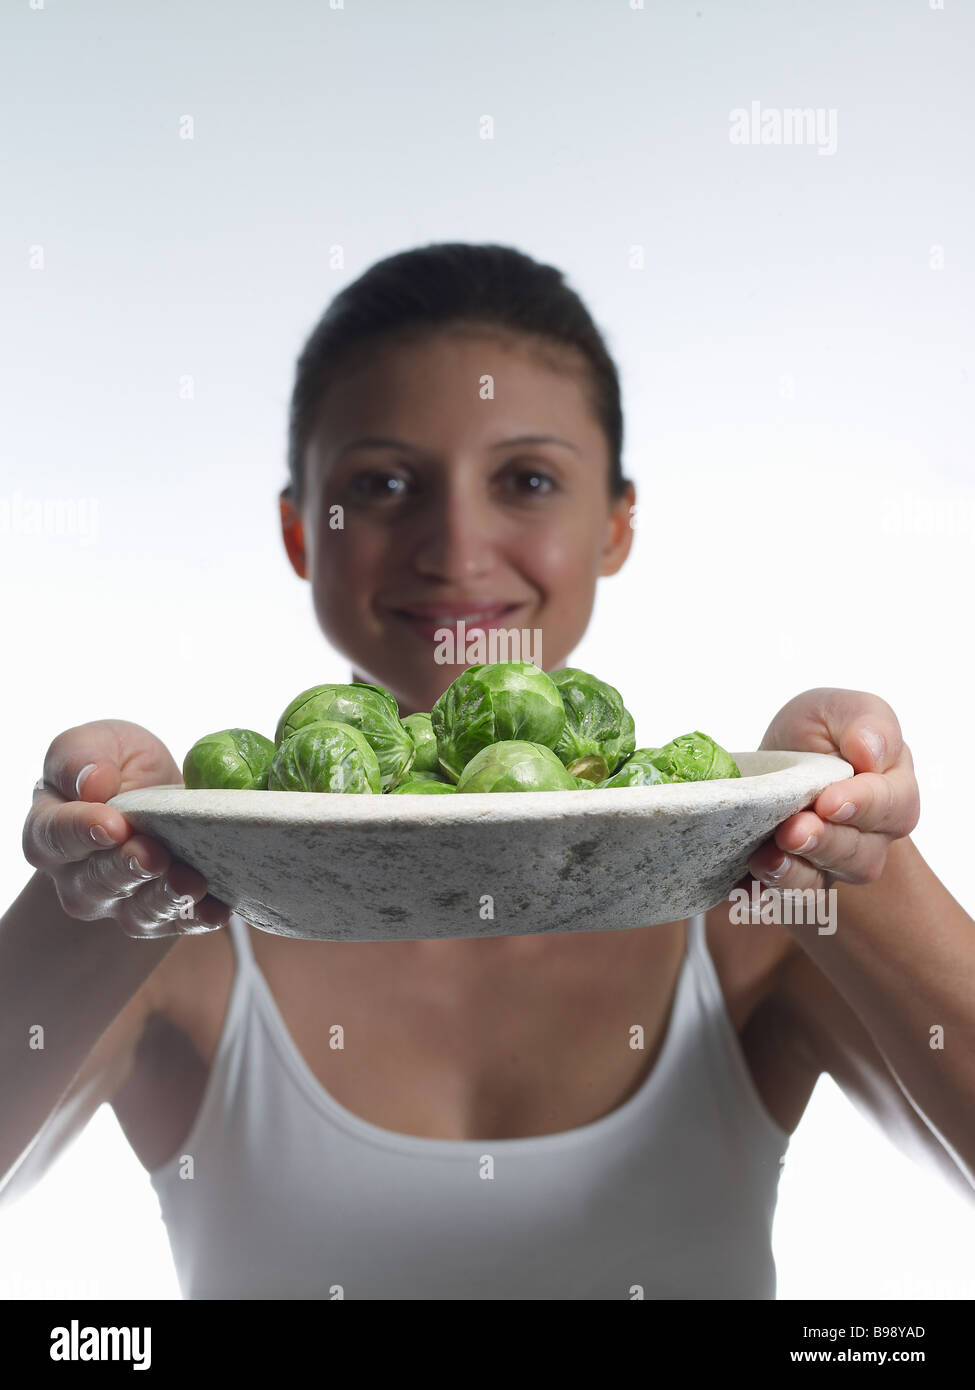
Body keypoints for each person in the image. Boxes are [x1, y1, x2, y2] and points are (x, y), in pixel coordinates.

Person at [5, 243, 972, 1301]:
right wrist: (110, 873)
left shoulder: (749, 921)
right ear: (299, 529)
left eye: (528, 479)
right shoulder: (189, 931)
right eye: (381, 483)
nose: (457, 546)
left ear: (616, 523)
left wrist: (830, 830)